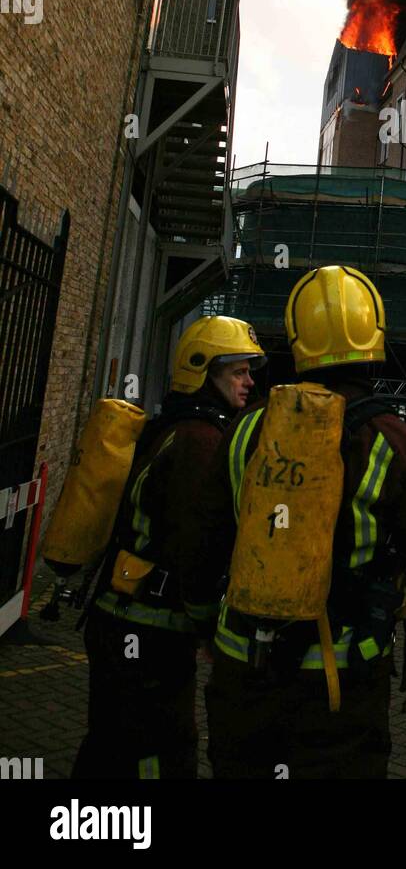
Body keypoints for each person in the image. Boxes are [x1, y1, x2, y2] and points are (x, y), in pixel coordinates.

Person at [183, 264, 406, 780]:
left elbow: (208, 538)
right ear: (375, 334)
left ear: (296, 335)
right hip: (342, 687)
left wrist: (203, 624)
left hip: (246, 673)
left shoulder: (245, 430)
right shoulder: (397, 443)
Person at [71, 316, 266, 780]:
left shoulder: (175, 427)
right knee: (159, 751)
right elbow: (196, 547)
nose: (249, 381)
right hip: (146, 631)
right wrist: (208, 625)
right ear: (204, 371)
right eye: (238, 370)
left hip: (123, 620)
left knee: (111, 743)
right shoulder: (200, 443)